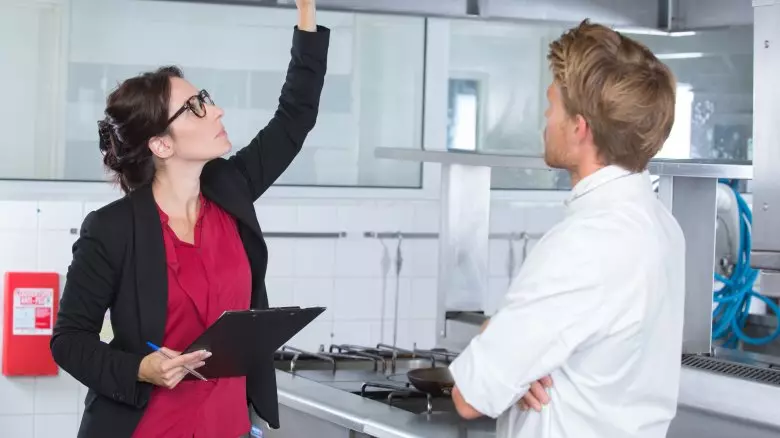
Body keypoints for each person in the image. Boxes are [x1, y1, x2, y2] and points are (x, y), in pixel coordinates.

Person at [49, 1, 328, 437]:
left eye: (206, 100)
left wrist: (307, 14)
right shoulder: (112, 230)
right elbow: (69, 341)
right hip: (147, 427)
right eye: (195, 107)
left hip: (230, 426)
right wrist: (141, 367)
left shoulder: (231, 190)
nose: (215, 110)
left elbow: (296, 116)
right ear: (160, 144)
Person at [449, 19, 685, 438]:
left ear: (580, 127)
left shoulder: (587, 243)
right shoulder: (662, 226)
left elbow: (470, 395)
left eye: (551, 106)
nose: (545, 119)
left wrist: (507, 351)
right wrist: (519, 363)